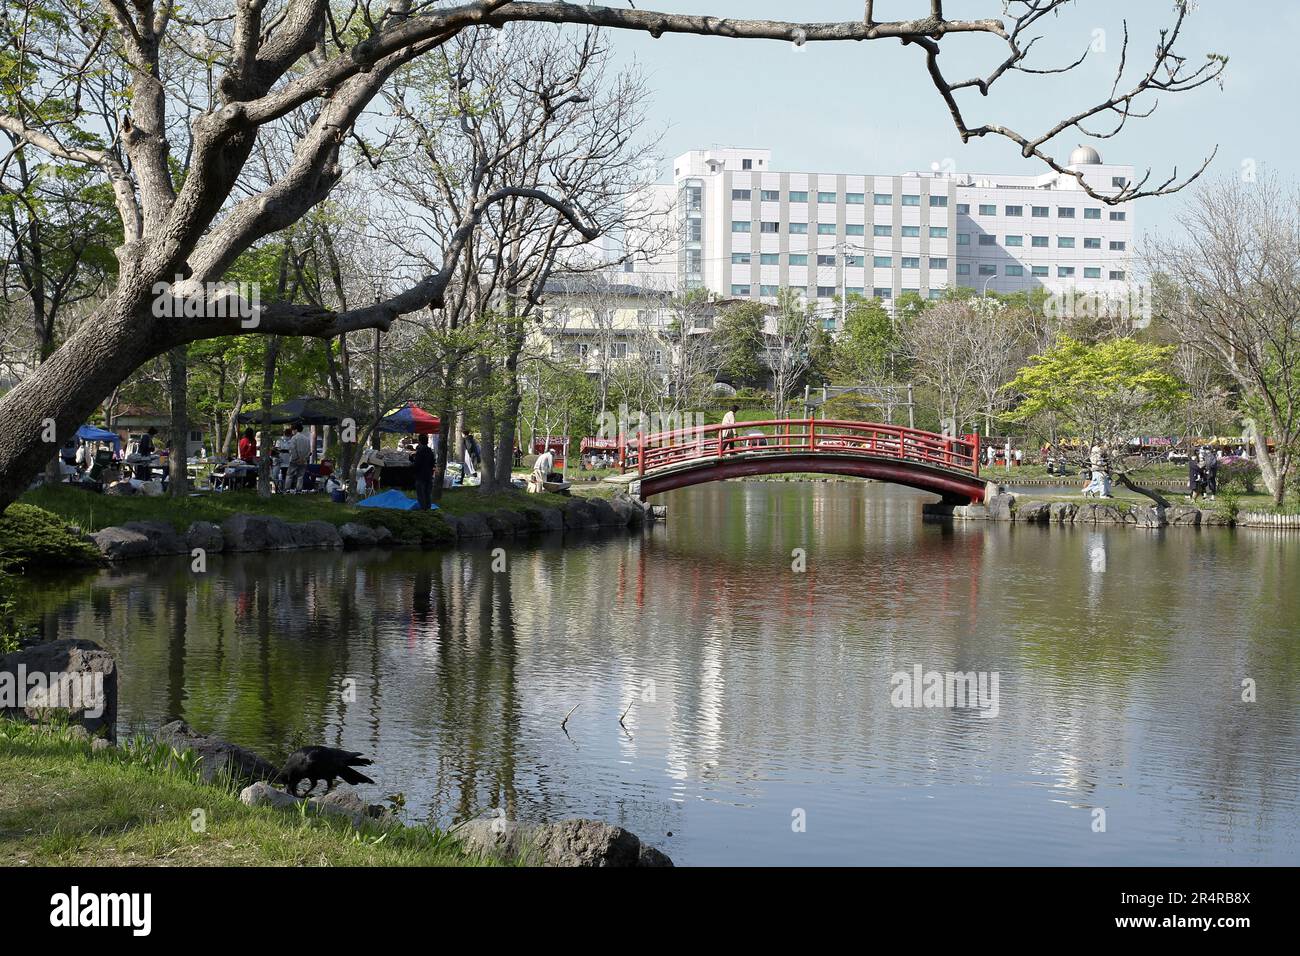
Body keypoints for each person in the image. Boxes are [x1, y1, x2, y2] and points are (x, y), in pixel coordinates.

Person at [411, 434, 435, 510]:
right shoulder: (430, 451)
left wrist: (412, 461)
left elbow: (417, 464)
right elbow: (432, 463)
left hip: (421, 476)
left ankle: (423, 511)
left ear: (419, 441)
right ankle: (428, 509)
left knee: (421, 495)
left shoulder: (420, 452)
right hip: (428, 475)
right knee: (427, 494)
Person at [288, 423, 311, 493]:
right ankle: (298, 490)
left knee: (289, 475)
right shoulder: (306, 439)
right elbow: (309, 450)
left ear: (295, 430)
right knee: (300, 476)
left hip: (294, 460)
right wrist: (304, 458)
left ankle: (287, 489)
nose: (292, 431)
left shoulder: (294, 438)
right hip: (303, 460)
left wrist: (296, 458)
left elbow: (292, 449)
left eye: (292, 430)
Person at [274, 427, 293, 492]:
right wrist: (284, 451)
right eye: (286, 434)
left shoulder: (292, 441)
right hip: (279, 461)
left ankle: (285, 489)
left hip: (287, 462)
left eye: (289, 434)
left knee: (285, 476)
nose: (287, 435)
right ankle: (277, 488)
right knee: (276, 475)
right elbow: (277, 450)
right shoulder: (279, 441)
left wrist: (284, 451)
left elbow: (292, 451)